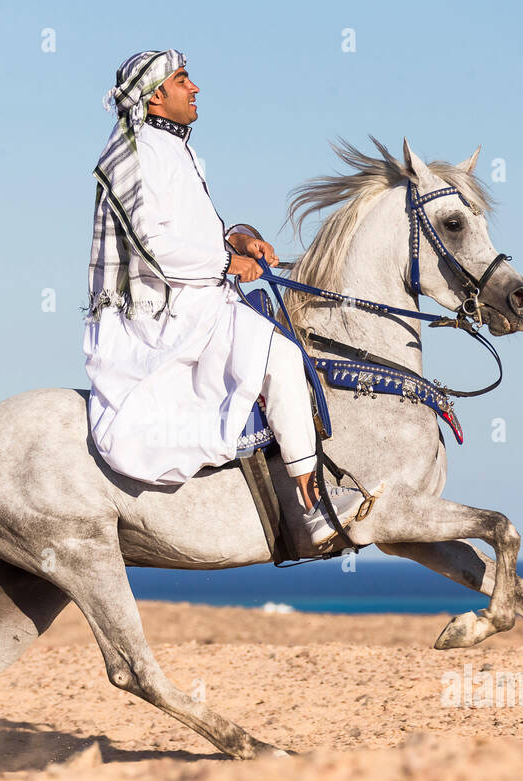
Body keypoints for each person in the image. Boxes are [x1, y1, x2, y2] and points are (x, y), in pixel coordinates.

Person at [83, 49, 373, 547]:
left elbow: (194, 232)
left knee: (291, 349)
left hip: (199, 297)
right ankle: (312, 509)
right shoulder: (134, 153)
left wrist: (237, 238)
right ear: (156, 96)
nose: (195, 88)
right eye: (182, 80)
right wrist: (225, 264)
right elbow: (152, 248)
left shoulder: (175, 147)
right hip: (163, 315)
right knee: (281, 357)